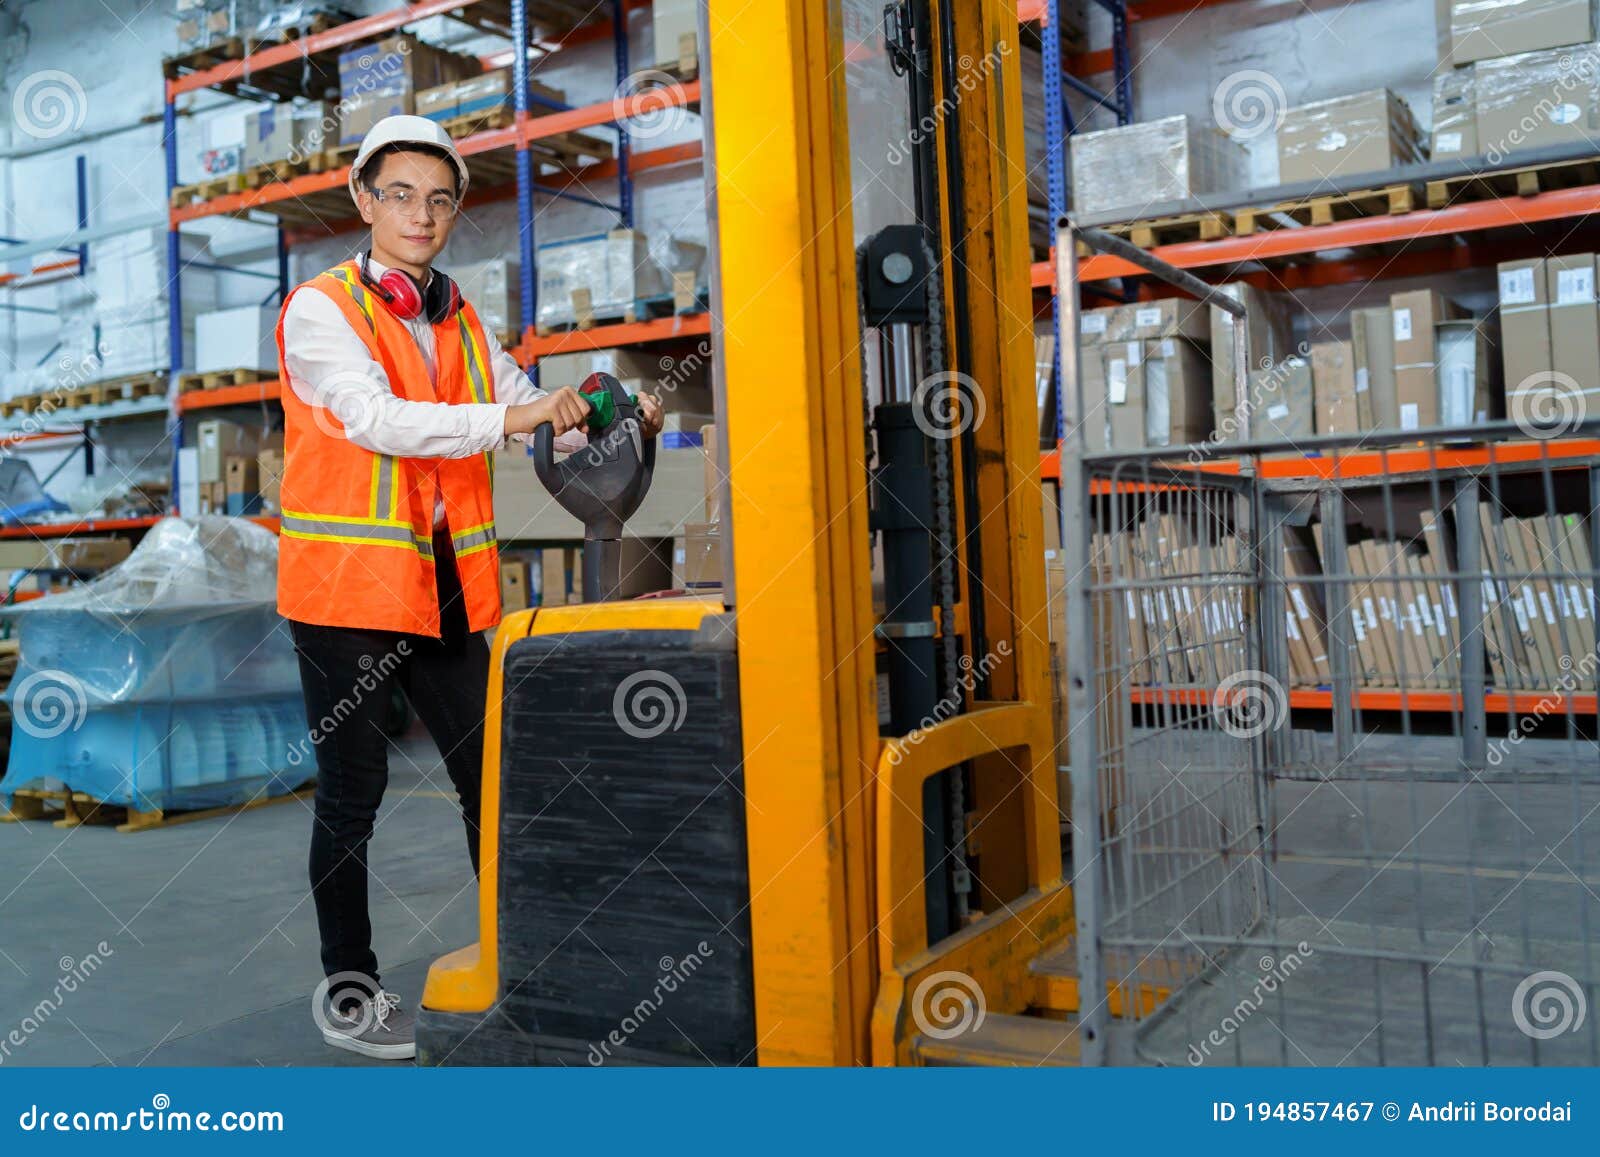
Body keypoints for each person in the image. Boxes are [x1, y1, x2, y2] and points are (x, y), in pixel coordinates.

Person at [275, 115, 664, 1060]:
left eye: (440, 198)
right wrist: (518, 411)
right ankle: (350, 991)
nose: (422, 213)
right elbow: (377, 417)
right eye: (401, 194)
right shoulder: (320, 309)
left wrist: (597, 415)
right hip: (346, 590)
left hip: (445, 584)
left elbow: (522, 406)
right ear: (365, 200)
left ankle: (519, 958)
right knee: (353, 792)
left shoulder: (458, 314)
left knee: (489, 778)